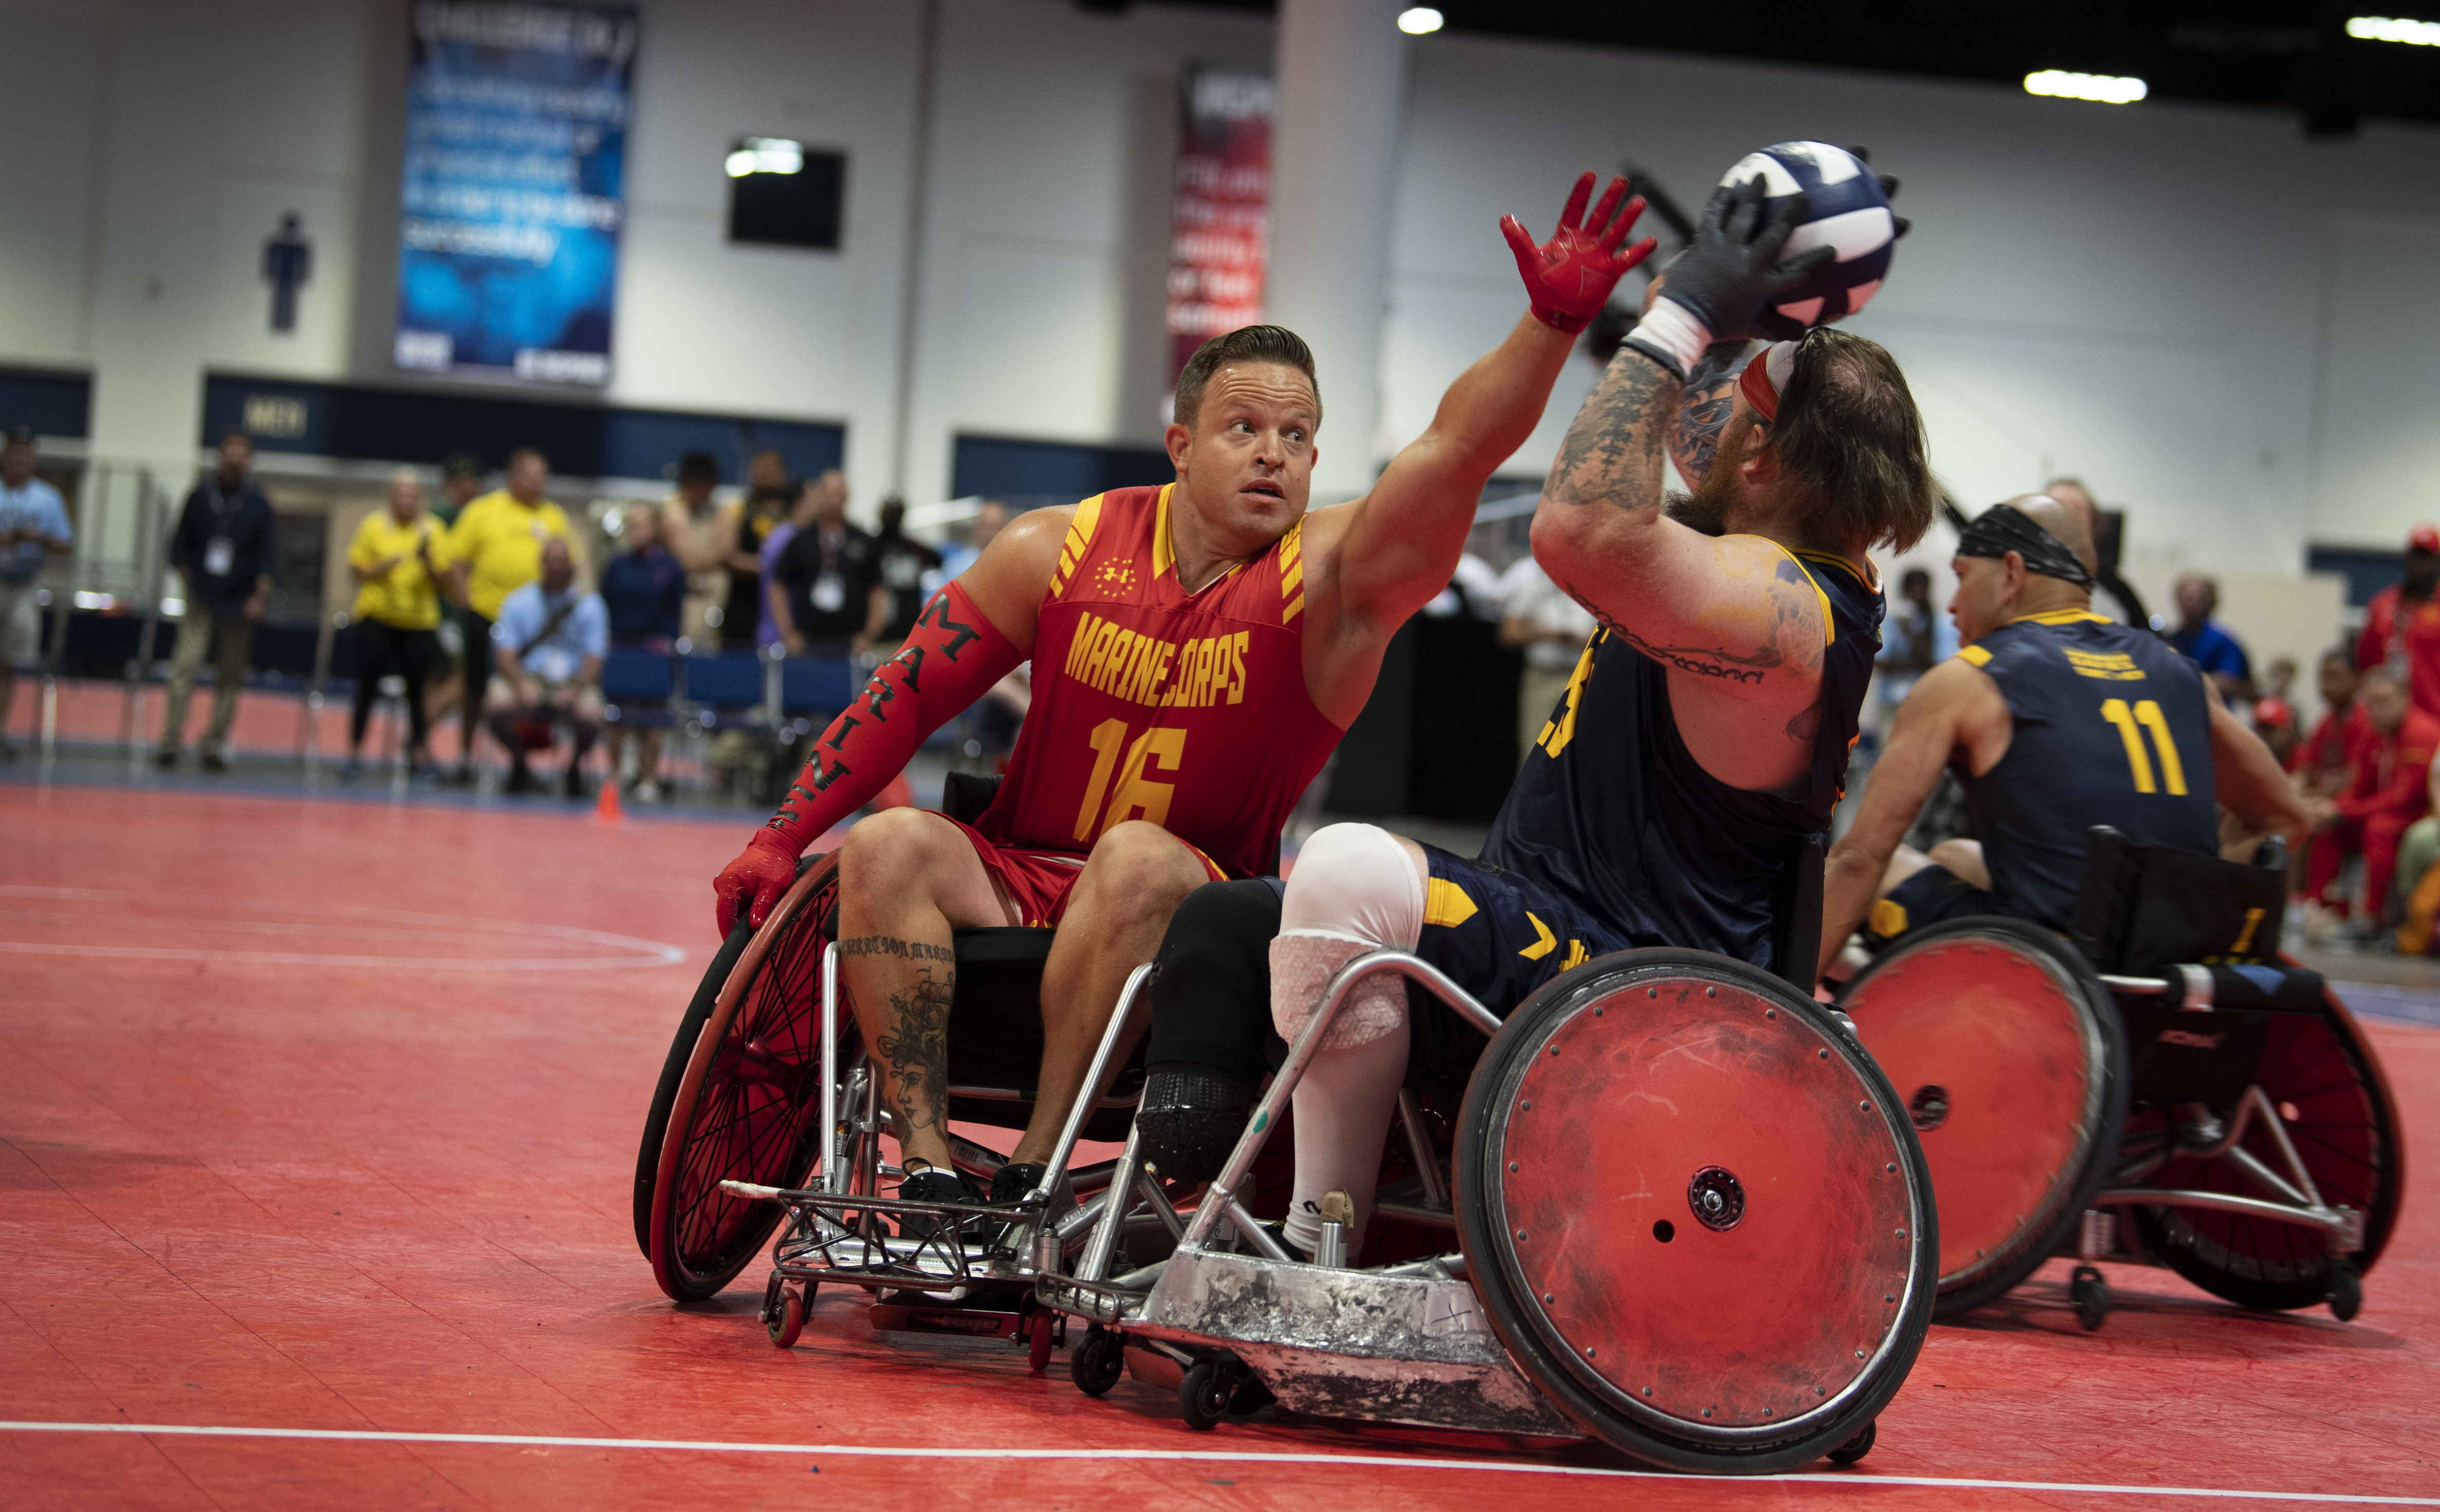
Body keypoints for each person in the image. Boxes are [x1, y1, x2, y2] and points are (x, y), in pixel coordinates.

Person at [709, 172, 1662, 1229]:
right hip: (1025, 876)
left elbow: (1457, 453)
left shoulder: (1333, 581)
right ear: (1179, 445)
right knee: (884, 846)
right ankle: (928, 1168)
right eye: (1243, 427)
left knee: (1137, 854)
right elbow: (904, 693)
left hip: (1202, 913)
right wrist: (778, 834)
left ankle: (1028, 1172)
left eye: (1297, 437)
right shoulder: (1055, 546)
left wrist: (1550, 322)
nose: (1273, 453)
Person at [1136, 175, 1939, 1258]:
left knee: (1349, 873)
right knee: (1229, 918)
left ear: (1760, 461)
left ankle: (1316, 1246)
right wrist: (1710, 318)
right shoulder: (1750, 563)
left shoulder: (1787, 609)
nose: (1700, 399)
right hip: (1558, 934)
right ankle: (1177, 1196)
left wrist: (1690, 304)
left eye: (1736, 394)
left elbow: (1578, 530)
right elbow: (1656, 448)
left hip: (1640, 986)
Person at [1819, 498, 2306, 971]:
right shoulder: (2184, 674)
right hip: (2169, 954)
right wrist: (2189, 888)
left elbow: (1861, 860)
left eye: (1963, 576)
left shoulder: (1971, 678)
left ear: (2011, 573)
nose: (1953, 604)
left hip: (2052, 964)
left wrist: (1785, 1003)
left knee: (1887, 870)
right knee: (1953, 856)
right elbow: (2287, 818)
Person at [442, 448, 574, 783]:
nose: (539, 481)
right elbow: (457, 562)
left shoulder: (553, 516)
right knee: (474, 688)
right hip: (486, 613)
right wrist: (468, 603)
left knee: (529, 688)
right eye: (533, 474)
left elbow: (571, 562)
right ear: (514, 476)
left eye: (544, 475)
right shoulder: (483, 510)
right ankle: (465, 756)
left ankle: (521, 761)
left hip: (536, 624)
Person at [158, 433, 275, 771]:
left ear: (250, 459)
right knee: (185, 666)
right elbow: (179, 546)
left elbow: (267, 557)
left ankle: (215, 742)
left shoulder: (258, 503)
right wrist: (189, 581)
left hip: (239, 602)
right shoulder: (199, 497)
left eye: (242, 453)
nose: (235, 459)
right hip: (201, 598)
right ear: (218, 456)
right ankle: (170, 739)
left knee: (230, 674)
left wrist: (258, 597)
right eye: (229, 452)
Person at [2301, 665, 2436, 937]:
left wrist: (2345, 811)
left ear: (2405, 698)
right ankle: (2316, 906)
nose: (2376, 709)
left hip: (2418, 812)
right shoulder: (2374, 731)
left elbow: (2402, 797)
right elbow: (2358, 784)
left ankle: (2374, 919)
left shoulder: (2421, 732)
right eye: (2371, 702)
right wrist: (2336, 809)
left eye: (2385, 701)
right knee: (2328, 824)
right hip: (2384, 809)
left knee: (2379, 828)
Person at [341, 468, 451, 780]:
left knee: (417, 693)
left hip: (420, 622)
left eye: (413, 495)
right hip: (377, 619)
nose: (407, 500)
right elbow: (356, 572)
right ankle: (353, 755)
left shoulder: (432, 530)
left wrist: (428, 561)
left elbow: (445, 581)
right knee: (367, 687)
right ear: (392, 497)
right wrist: (380, 568)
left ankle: (416, 757)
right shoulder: (374, 526)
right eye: (402, 494)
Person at [485, 537, 608, 798]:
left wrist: (575, 689)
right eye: (550, 559)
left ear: (570, 566)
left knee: (592, 711)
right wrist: (520, 685)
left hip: (572, 681)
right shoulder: (518, 601)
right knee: (497, 701)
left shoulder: (591, 605)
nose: (555, 566)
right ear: (541, 563)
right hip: (529, 677)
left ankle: (574, 767)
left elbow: (594, 660)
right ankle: (520, 764)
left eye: (561, 560)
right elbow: (505, 654)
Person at [600, 506, 687, 800]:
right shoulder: (618, 565)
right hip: (622, 648)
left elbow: (675, 611)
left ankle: (649, 777)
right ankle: (615, 774)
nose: (636, 531)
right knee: (618, 715)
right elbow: (606, 603)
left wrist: (667, 642)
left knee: (653, 716)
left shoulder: (669, 568)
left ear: (655, 529)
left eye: (642, 525)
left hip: (654, 651)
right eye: (632, 525)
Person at [0, 425, 73, 760]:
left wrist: (39, 539)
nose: (19, 460)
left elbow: (65, 543)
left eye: (26, 455)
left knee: (8, 662)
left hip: (24, 584)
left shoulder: (48, 498)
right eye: (14, 453)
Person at [770, 471, 885, 656]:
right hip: (806, 641)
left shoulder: (865, 542)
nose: (834, 501)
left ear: (847, 497)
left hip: (851, 643)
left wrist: (870, 634)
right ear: (819, 496)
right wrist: (788, 632)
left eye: (839, 494)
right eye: (829, 494)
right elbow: (778, 586)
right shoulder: (800, 542)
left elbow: (878, 589)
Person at [1494, 558, 1594, 766]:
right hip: (1542, 676)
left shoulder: (1596, 589)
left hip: (1584, 679)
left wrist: (1578, 641)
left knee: (1581, 754)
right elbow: (1508, 634)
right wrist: (1550, 634)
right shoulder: (1535, 585)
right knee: (1534, 750)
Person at [2356, 522, 2440, 721]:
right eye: (2416, 556)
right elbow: (2365, 664)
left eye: (2427, 557)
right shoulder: (2381, 604)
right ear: (2406, 558)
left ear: (2437, 562)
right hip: (2381, 723)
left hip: (2431, 720)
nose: (2421, 563)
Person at [2043, 476, 2149, 628]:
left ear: (2094, 522)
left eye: (2078, 509)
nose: (2069, 516)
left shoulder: (2114, 587)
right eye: (2058, 507)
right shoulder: (2020, 580)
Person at [721, 450, 792, 652]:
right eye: (759, 469)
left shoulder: (792, 512)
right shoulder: (738, 510)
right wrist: (772, 568)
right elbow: (728, 555)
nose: (764, 475)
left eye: (771, 469)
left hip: (783, 610)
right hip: (744, 607)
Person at [660, 452, 730, 650]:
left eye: (703, 484)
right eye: (690, 484)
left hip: (714, 601)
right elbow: (684, 560)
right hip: (683, 598)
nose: (696, 490)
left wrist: (711, 557)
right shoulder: (675, 513)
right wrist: (712, 558)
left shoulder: (723, 513)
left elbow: (725, 552)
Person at [1871, 566, 1953, 735]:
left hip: (1925, 703)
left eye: (1920, 590)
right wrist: (1911, 664)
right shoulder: (1890, 621)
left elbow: (1939, 666)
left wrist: (1914, 636)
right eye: (1911, 591)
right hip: (1891, 703)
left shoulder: (1940, 625)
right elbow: (1878, 661)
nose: (1915, 596)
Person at [872, 496, 944, 646]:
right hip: (878, 630)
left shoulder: (916, 549)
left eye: (896, 514)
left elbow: (940, 563)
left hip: (909, 628)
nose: (892, 518)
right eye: (889, 513)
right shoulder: (870, 549)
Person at [2169, 572, 2251, 701]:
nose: (2192, 603)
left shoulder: (2223, 641)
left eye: (2200, 598)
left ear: (2211, 602)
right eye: (2188, 597)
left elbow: (2228, 681)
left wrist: (2184, 683)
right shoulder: (2173, 639)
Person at [937, 498, 1007, 581]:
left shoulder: (1010, 566)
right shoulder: (956, 565)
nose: (990, 534)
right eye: (985, 526)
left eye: (995, 527)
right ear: (976, 527)